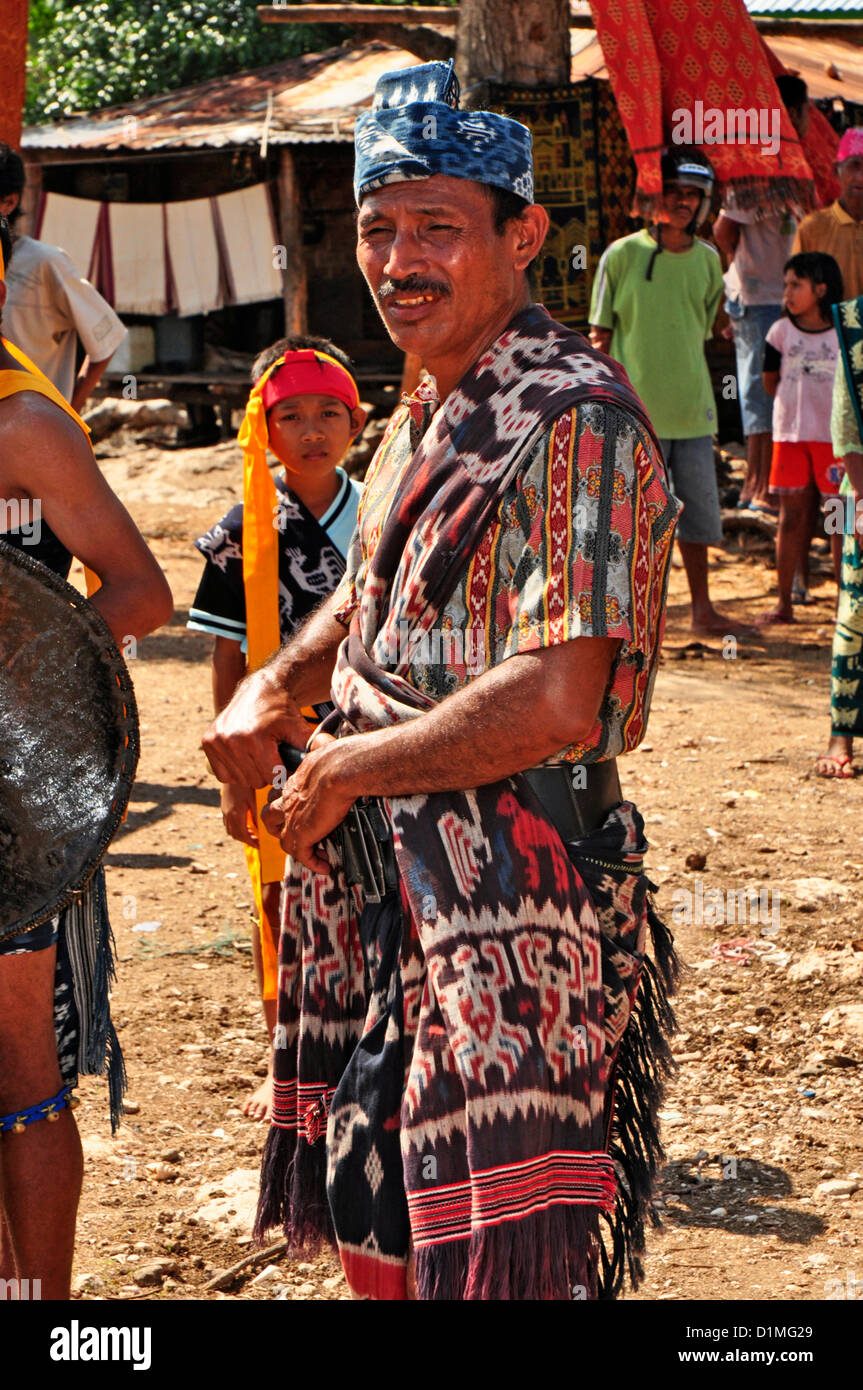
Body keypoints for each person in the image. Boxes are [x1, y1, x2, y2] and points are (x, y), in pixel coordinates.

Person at [203, 60, 681, 1302]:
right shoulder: (424, 405)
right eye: (375, 228)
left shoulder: (572, 421)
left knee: (490, 1254)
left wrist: (347, 763)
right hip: (393, 897)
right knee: (375, 1203)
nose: (397, 260)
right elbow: (374, 595)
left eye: (435, 229)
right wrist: (269, 687)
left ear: (521, 236)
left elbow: (556, 697)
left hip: (517, 905)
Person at [0, 216, 173, 1300]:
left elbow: (143, 594)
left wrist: (24, 670)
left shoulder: (23, 422)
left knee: (19, 1067)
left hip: (14, 793)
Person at [188, 334, 365, 1120]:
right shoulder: (240, 530)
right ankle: (285, 1059)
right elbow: (229, 660)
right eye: (289, 414)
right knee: (279, 904)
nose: (312, 430)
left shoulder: (382, 513)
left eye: (329, 412)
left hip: (370, 738)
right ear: (261, 428)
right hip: (279, 747)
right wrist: (235, 776)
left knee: (370, 892)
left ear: (357, 424)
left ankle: (368, 1048)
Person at [589, 147, 743, 637]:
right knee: (633, 525)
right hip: (635, 417)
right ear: (655, 196)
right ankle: (636, 621)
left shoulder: (708, 260)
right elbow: (601, 337)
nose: (683, 203)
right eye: (674, 193)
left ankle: (701, 610)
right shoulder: (621, 255)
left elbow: (712, 325)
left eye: (693, 196)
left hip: (694, 411)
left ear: (705, 203)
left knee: (697, 519)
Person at [713, 75, 810, 516]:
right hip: (757, 300)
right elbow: (723, 231)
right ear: (789, 114)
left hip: (787, 298)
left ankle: (767, 485)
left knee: (778, 392)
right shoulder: (754, 165)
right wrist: (731, 285)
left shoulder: (797, 165)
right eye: (801, 112)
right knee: (758, 391)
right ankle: (759, 488)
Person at [0, 144, 126, 410]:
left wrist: (70, 412)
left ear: (9, 202)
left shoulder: (44, 262)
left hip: (34, 425)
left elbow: (107, 336)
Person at [759, 252, 844, 624]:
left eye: (797, 285)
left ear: (821, 289)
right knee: (790, 519)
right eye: (786, 285)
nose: (788, 293)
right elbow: (769, 383)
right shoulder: (779, 333)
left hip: (835, 440)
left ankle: (847, 603)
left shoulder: (845, 332)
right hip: (790, 436)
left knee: (839, 519)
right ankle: (783, 603)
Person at [815, 291, 863, 777]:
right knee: (854, 610)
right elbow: (847, 425)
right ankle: (840, 734)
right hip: (859, 491)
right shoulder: (855, 324)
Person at [793, 128, 863, 304]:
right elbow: (795, 289)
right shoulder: (812, 229)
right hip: (828, 330)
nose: (861, 177)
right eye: (854, 166)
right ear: (836, 171)